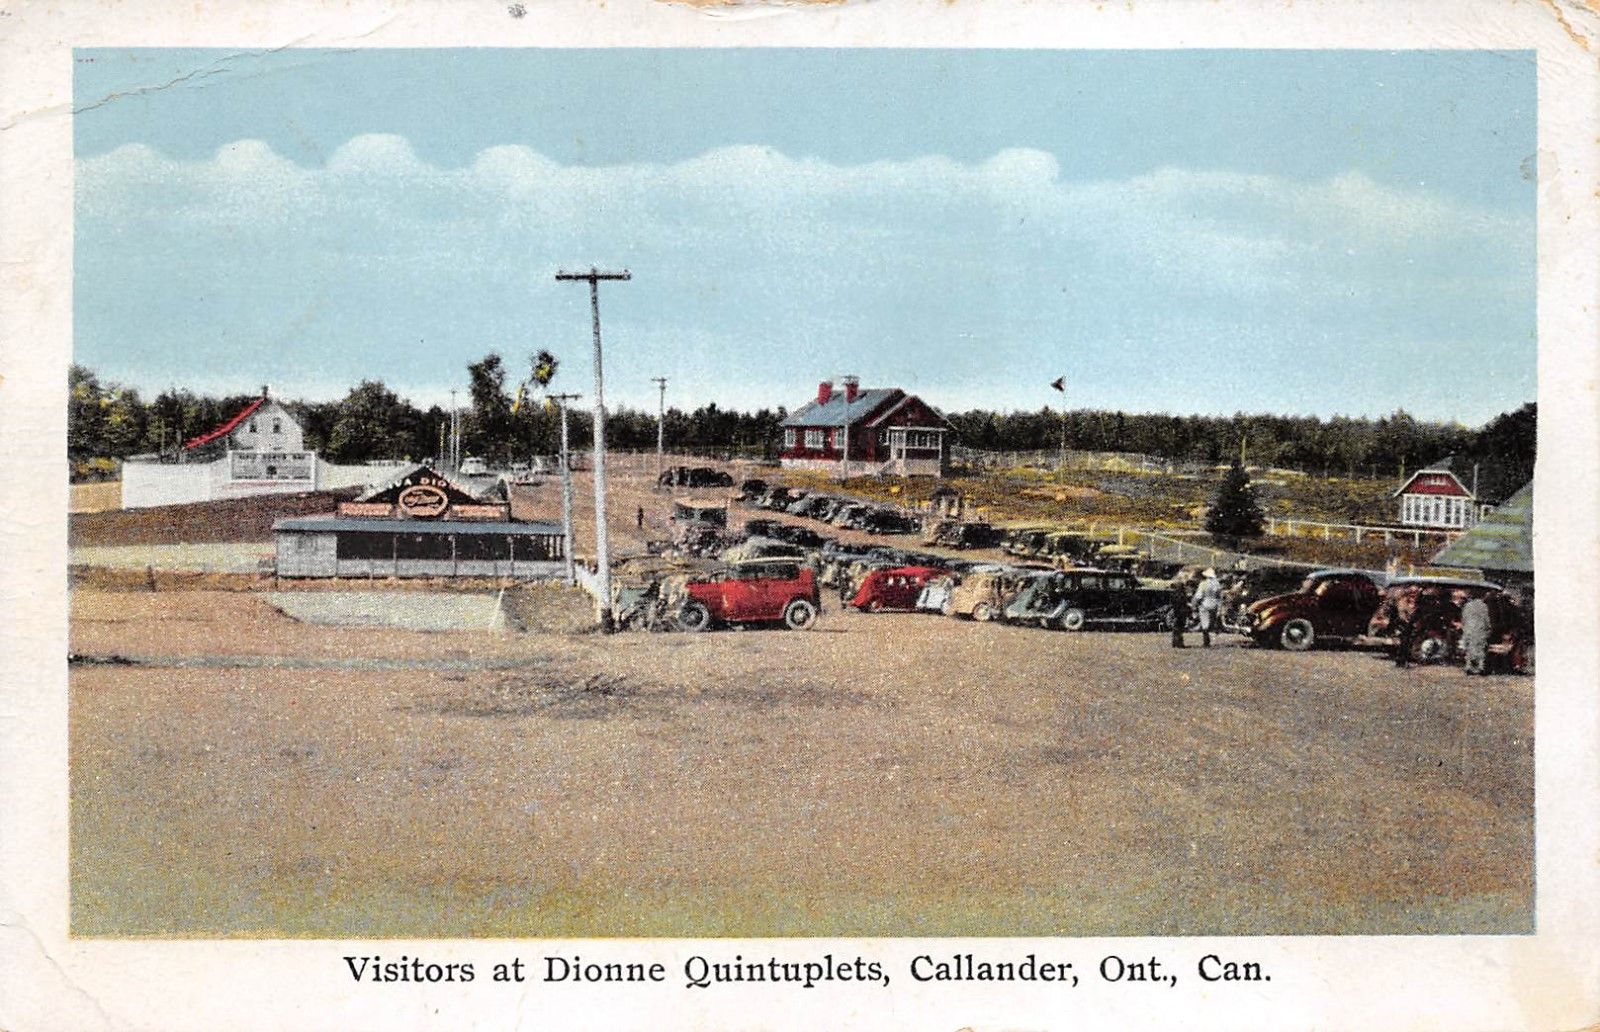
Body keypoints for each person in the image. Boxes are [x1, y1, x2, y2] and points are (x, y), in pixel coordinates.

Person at [1460, 594, 1492, 675]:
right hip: (1480, 629)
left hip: (1468, 629)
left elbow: (1463, 618)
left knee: (1469, 648)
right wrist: (1488, 628)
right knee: (1480, 648)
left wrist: (1464, 627)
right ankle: (1480, 667)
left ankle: (1468, 666)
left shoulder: (1467, 606)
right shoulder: (1484, 606)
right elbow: (1486, 619)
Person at [1192, 568, 1223, 648]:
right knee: (1211, 622)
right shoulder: (1217, 584)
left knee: (1204, 624)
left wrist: (1194, 604)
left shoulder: (1203, 584)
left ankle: (1206, 642)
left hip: (1205, 605)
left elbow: (1199, 596)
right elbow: (1220, 597)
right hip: (1214, 605)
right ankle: (1213, 632)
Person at [1169, 577, 1190, 648]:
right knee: (1180, 628)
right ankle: (1179, 643)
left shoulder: (1174, 595)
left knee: (1176, 628)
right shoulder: (1183, 595)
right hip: (1182, 612)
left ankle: (1175, 642)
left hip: (1176, 612)